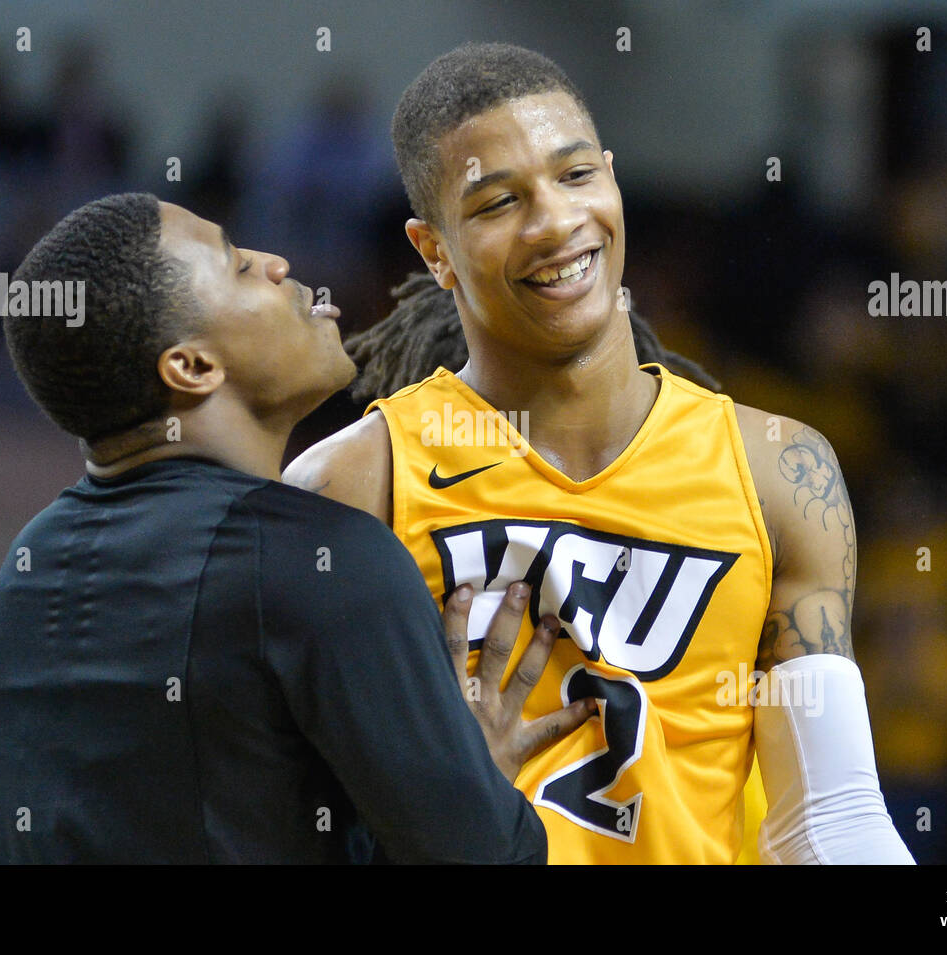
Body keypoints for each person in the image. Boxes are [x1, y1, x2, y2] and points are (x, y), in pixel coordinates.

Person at [285, 43, 913, 864]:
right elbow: (293, 826)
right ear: (433, 250)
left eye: (575, 176)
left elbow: (827, 821)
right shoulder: (349, 485)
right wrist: (434, 796)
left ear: (612, 180)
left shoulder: (779, 471)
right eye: (498, 202)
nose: (554, 221)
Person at [0, 191, 592, 864]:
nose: (275, 264)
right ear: (193, 366)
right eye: (238, 265)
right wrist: (476, 788)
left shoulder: (22, 576)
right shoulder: (321, 558)